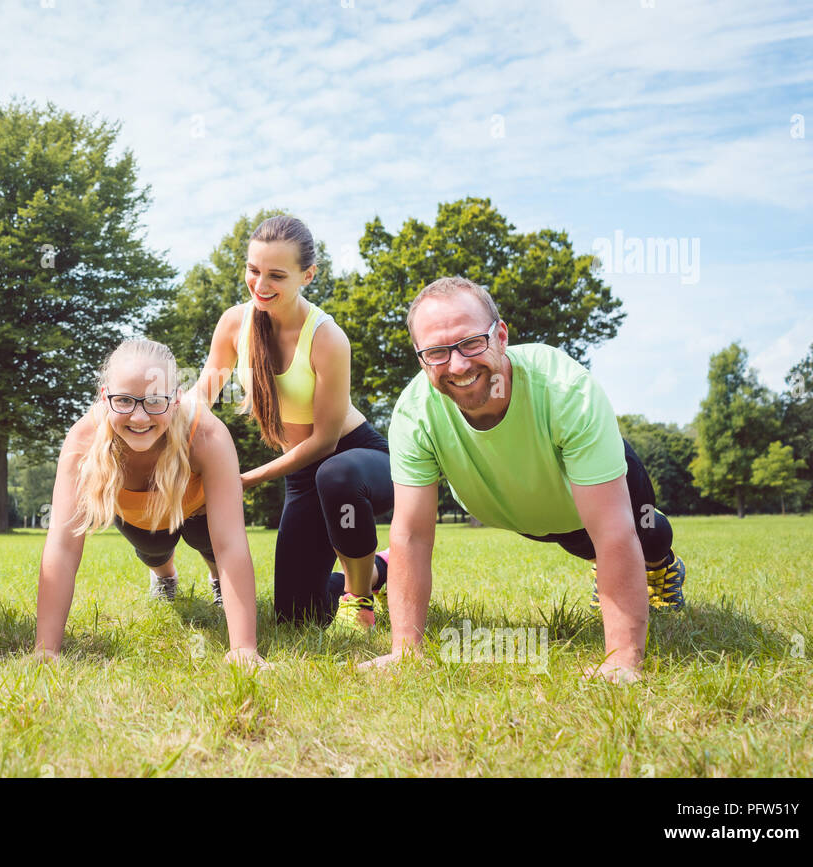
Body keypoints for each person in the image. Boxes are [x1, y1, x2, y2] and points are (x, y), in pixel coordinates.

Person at [366, 277, 687, 683]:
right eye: (437, 352)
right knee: (582, 545)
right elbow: (410, 536)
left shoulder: (566, 390)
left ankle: (663, 569)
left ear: (500, 335)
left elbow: (611, 529)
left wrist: (622, 659)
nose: (459, 365)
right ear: (420, 358)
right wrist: (405, 652)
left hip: (590, 494)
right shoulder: (414, 413)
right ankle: (608, 571)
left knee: (645, 535)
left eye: (471, 343)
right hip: (526, 514)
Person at [195, 215, 394, 634]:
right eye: (253, 270)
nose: (260, 284)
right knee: (294, 617)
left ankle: (359, 601)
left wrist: (245, 478)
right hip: (303, 475)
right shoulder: (235, 324)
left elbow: (324, 442)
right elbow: (201, 399)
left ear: (308, 275)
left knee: (334, 474)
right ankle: (381, 570)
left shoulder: (327, 338)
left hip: (356, 462)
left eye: (276, 275)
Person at [34, 339, 265, 668]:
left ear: (175, 401)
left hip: (198, 509)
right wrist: (46, 649)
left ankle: (217, 581)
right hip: (141, 519)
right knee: (153, 547)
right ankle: (165, 576)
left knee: (209, 541)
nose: (139, 417)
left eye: (155, 401)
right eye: (124, 401)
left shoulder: (208, 436)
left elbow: (230, 542)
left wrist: (243, 648)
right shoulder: (83, 439)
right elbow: (62, 546)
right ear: (105, 399)